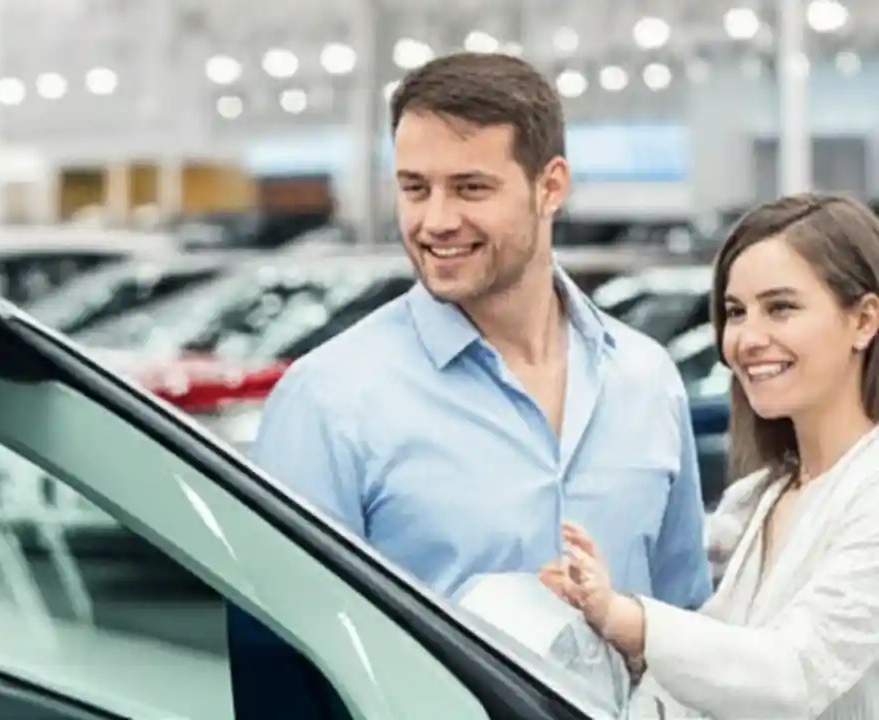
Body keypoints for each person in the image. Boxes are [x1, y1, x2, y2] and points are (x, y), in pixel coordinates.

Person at [245, 51, 712, 607]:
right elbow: (289, 642)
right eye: (415, 188)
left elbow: (683, 617)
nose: (436, 221)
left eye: (470, 188)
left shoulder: (646, 377)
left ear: (551, 187)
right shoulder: (328, 398)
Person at [555, 193, 879, 719]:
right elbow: (708, 678)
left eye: (781, 308)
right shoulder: (756, 499)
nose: (747, 339)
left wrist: (627, 618)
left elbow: (794, 675)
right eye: (735, 312)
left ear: (864, 321)